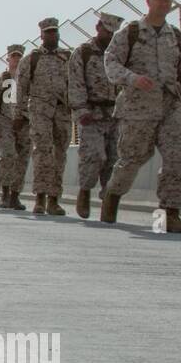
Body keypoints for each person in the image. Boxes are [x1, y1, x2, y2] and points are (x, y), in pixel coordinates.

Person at [100, 0, 181, 232]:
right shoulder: (129, 33)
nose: (164, 2)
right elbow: (110, 64)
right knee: (132, 159)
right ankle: (112, 194)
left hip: (169, 106)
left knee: (176, 156)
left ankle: (170, 214)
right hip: (137, 109)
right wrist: (132, 79)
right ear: (148, 1)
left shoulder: (174, 36)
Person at [69, 13, 124, 218]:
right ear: (98, 27)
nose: (108, 35)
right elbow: (75, 83)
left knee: (113, 159)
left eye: (112, 32)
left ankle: (107, 202)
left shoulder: (119, 53)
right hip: (90, 114)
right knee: (94, 156)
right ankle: (84, 192)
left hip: (115, 113)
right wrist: (81, 110)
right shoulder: (83, 53)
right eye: (106, 30)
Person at [17, 18, 72, 215]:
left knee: (60, 155)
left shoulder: (67, 57)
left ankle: (54, 200)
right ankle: (40, 197)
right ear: (41, 35)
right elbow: (21, 90)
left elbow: (77, 84)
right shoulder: (31, 59)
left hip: (63, 111)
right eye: (48, 32)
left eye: (55, 32)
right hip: (39, 111)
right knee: (42, 152)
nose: (52, 35)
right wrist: (19, 114)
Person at [0, 44, 31, 211]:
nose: (17, 59)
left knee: (22, 159)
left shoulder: (28, 79)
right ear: (8, 58)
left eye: (20, 56)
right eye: (14, 56)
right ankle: (5, 191)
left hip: (25, 123)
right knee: (8, 156)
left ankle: (15, 195)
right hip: (6, 123)